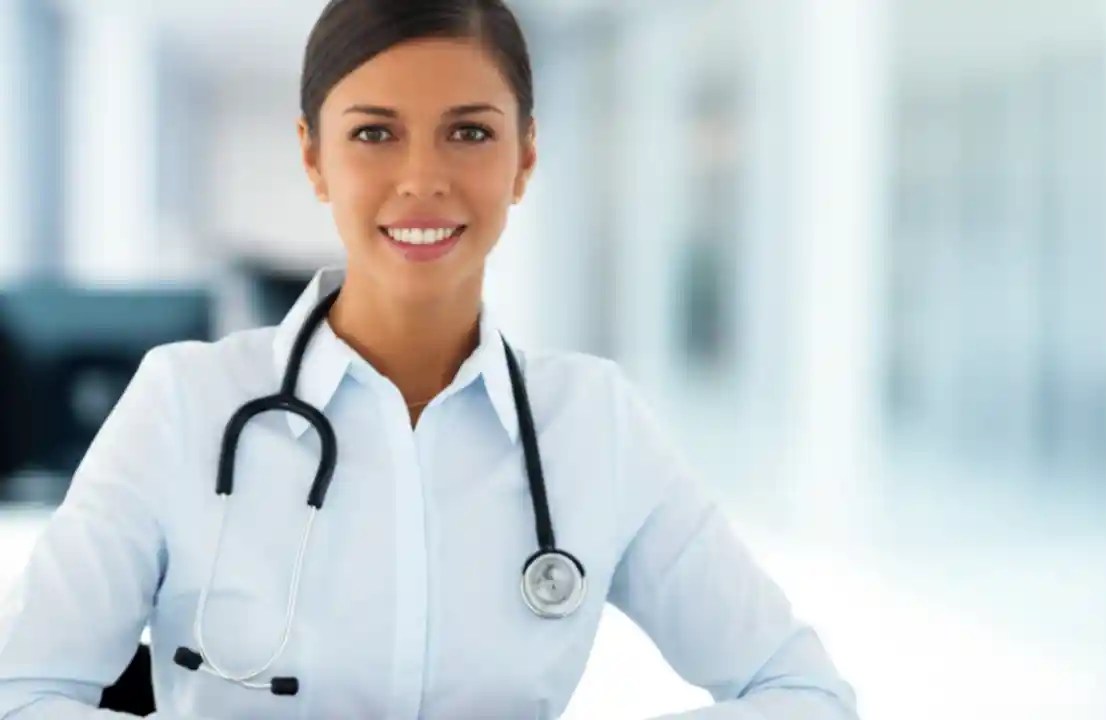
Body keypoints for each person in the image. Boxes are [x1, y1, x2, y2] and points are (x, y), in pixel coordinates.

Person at [0, 1, 858, 717]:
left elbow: (803, 692)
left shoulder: (595, 423)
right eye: (375, 133)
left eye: (470, 134)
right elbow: (26, 691)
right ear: (314, 156)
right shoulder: (184, 404)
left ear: (525, 157)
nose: (422, 178)